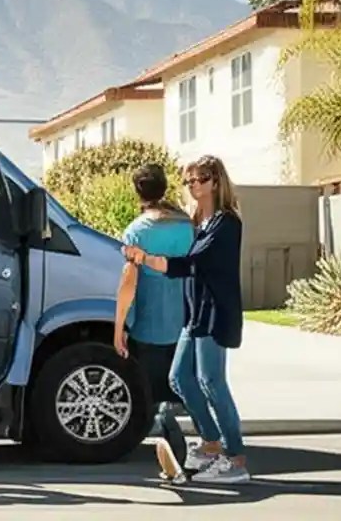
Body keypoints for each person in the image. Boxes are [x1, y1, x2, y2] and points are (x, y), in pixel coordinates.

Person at [122, 155, 250, 484]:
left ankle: (235, 459)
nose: (194, 185)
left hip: (213, 314)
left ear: (216, 182)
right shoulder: (198, 222)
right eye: (189, 180)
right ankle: (210, 444)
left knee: (212, 383)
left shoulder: (226, 224)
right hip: (193, 315)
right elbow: (184, 266)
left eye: (201, 179)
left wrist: (145, 258)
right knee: (180, 378)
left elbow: (190, 264)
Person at [113, 164, 194, 484]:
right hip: (186, 323)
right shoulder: (188, 226)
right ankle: (200, 452)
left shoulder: (136, 232)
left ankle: (174, 455)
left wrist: (118, 328)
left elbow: (129, 282)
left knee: (155, 395)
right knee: (182, 390)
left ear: (138, 193)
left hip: (149, 327)